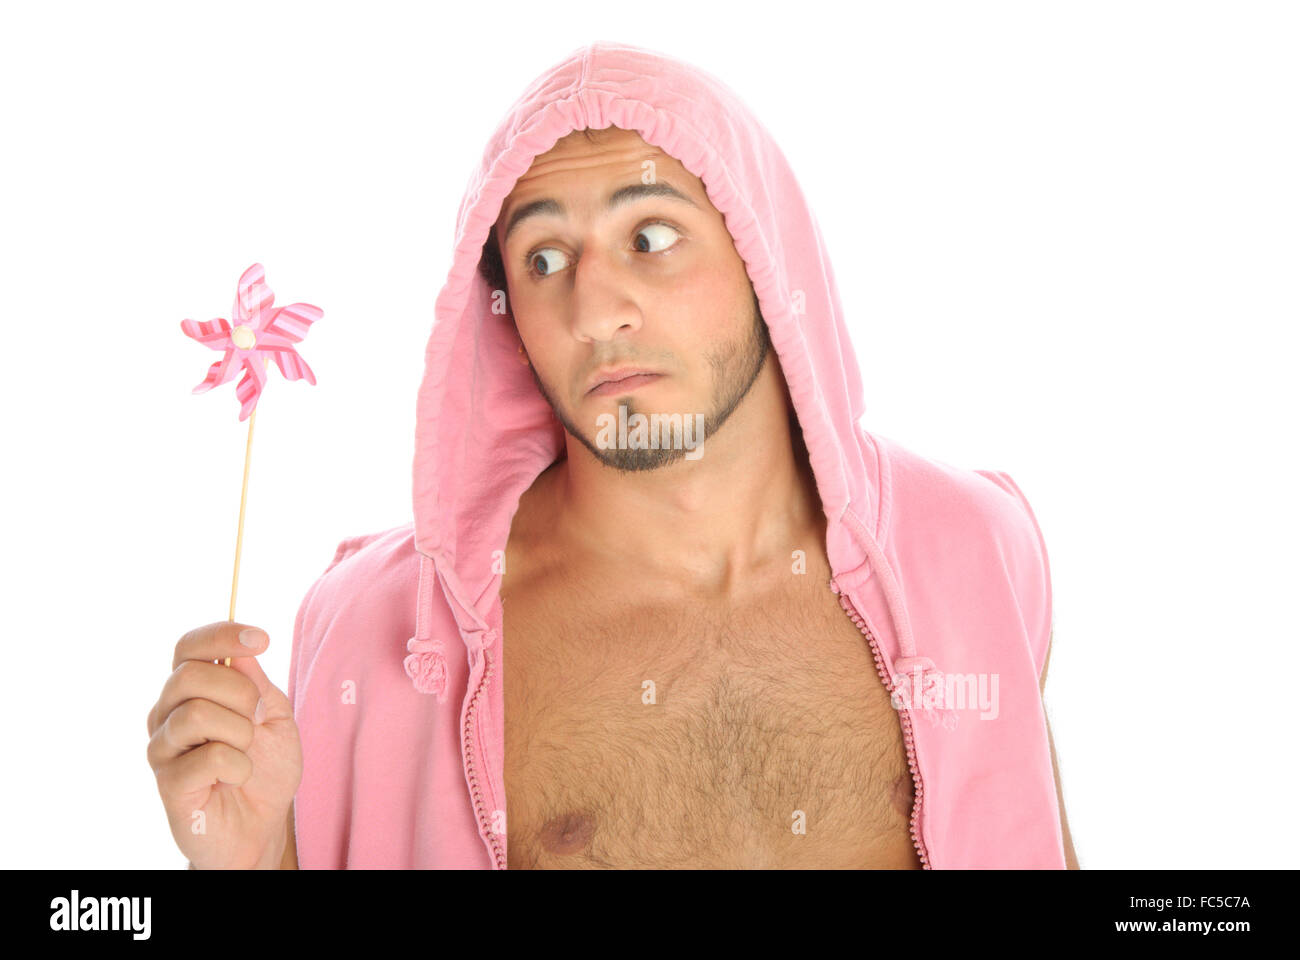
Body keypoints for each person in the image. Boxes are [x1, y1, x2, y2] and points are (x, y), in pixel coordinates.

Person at [147, 40, 1078, 869]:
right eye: (544, 259)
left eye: (652, 237)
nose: (595, 312)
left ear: (766, 258)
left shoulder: (974, 549)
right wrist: (249, 860)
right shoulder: (381, 631)